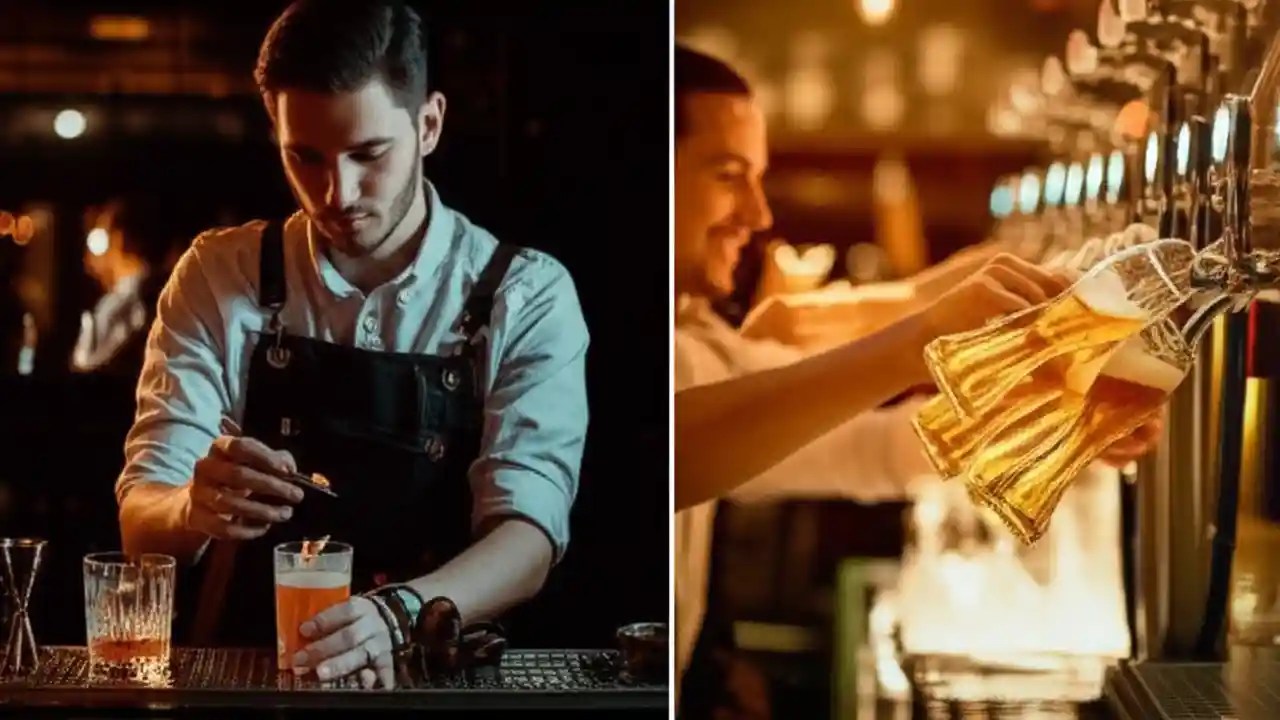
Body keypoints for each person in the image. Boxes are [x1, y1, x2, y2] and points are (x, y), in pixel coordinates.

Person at [671, 45, 1161, 714]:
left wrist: (1049, 427)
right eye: (729, 176)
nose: (758, 216)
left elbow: (865, 449)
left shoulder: (690, 341)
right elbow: (676, 448)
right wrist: (918, 332)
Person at [115, 0, 589, 689]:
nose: (337, 193)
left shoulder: (527, 294)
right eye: (304, 157)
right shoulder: (219, 275)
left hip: (436, 675)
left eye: (369, 155)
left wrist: (397, 614)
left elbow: (528, 539)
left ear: (428, 125)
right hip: (248, 676)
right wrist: (191, 506)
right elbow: (141, 526)